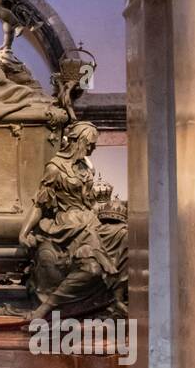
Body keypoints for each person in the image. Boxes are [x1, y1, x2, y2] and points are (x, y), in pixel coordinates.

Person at [17, 121, 125, 320]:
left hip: (90, 220)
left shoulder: (85, 167)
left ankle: (117, 300)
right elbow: (40, 203)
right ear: (80, 141)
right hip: (68, 224)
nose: (94, 147)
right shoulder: (55, 168)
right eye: (91, 142)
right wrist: (23, 232)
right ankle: (47, 308)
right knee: (93, 265)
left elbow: (90, 203)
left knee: (124, 235)